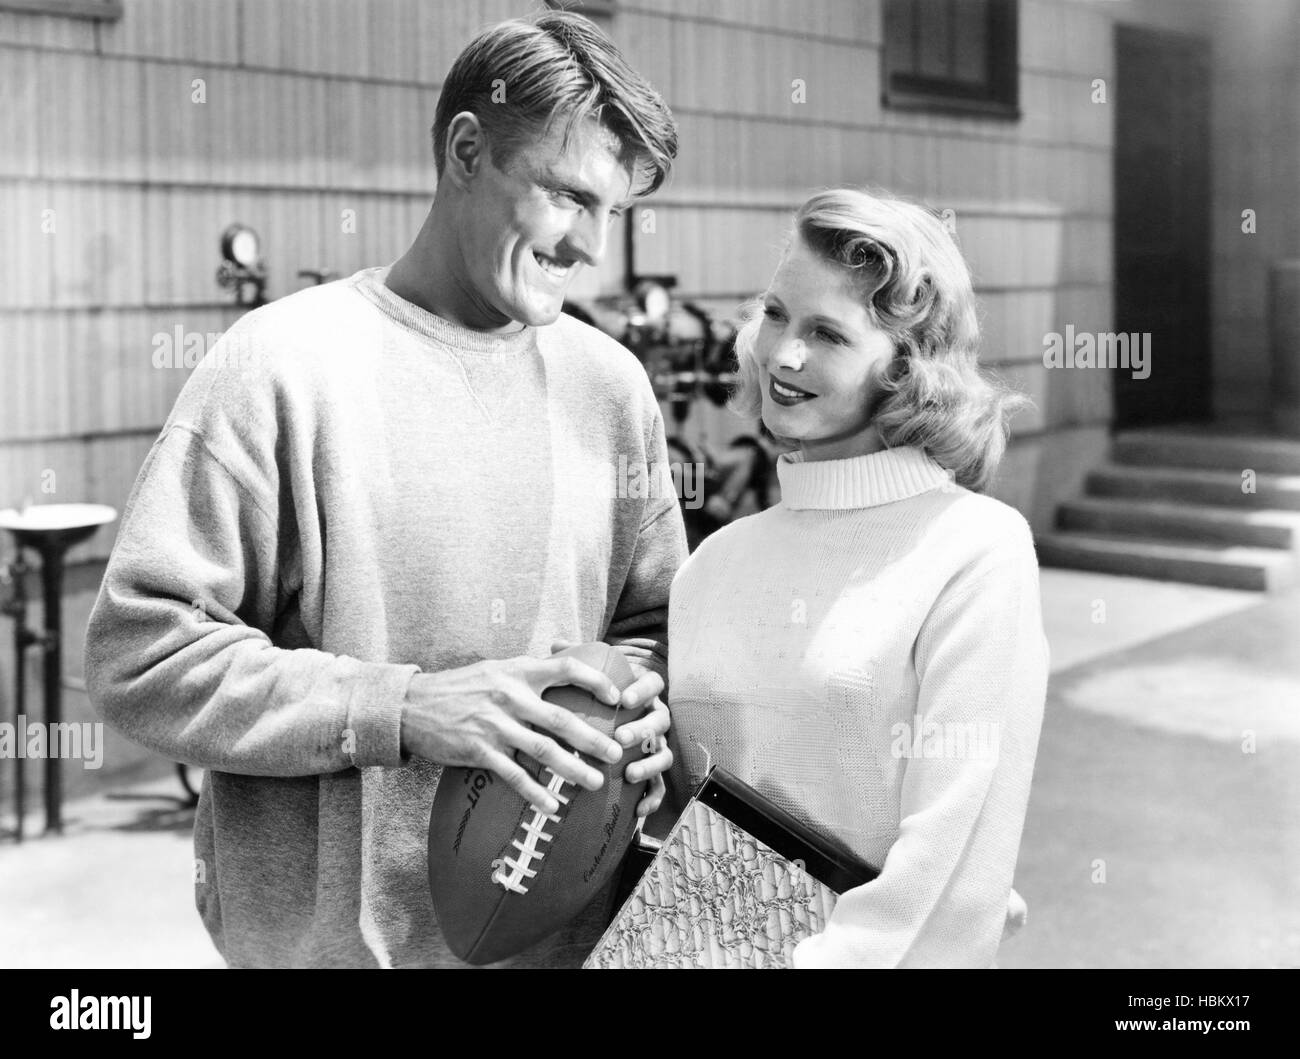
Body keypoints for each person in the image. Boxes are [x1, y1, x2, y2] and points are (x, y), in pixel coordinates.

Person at [84, 11, 684, 969]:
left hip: (561, 949)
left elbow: (658, 627)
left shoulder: (610, 388)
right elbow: (140, 655)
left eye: (614, 213)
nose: (591, 249)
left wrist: (648, 703)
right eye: (570, 198)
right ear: (464, 149)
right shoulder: (279, 369)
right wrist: (401, 709)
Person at [661, 187, 1049, 967]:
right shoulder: (715, 561)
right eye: (775, 314)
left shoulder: (973, 551)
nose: (782, 355)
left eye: (828, 334)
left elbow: (953, 867)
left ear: (905, 369)